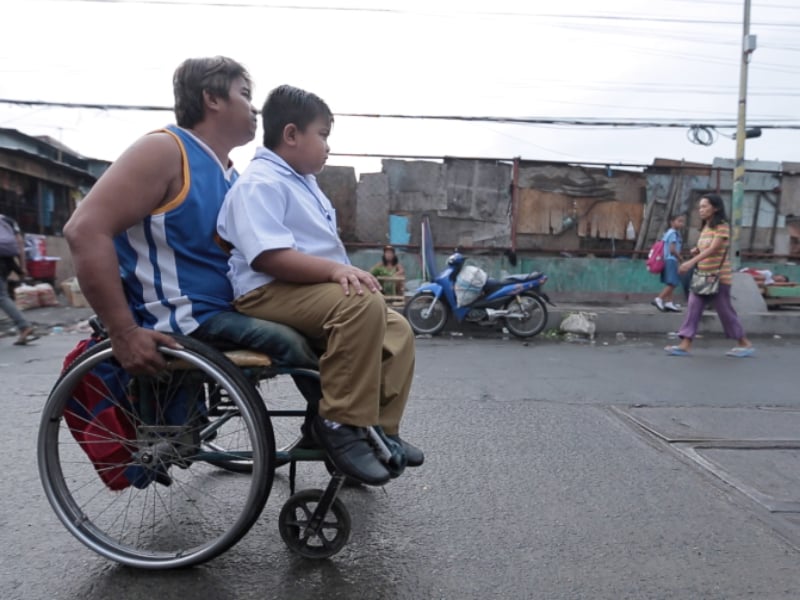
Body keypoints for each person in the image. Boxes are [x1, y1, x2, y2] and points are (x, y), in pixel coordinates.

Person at [218, 84, 423, 486]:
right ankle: (339, 424)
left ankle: (380, 429)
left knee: (396, 327)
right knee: (360, 305)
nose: (328, 147)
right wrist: (333, 272)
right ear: (291, 135)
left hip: (300, 289)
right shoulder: (261, 183)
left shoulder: (301, 181)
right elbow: (267, 257)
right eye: (323, 135)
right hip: (266, 290)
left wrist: (337, 274)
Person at [63, 57, 318, 378]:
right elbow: (84, 230)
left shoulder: (235, 178)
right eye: (244, 95)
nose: (254, 109)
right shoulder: (165, 150)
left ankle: (347, 408)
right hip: (183, 315)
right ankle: (333, 413)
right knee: (291, 343)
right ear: (212, 98)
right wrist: (123, 331)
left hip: (226, 310)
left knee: (326, 325)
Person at [664, 193, 754, 358]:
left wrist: (690, 262)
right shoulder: (706, 227)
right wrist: (696, 250)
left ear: (716, 208)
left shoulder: (722, 226)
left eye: (705, 206)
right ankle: (685, 344)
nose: (701, 210)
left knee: (725, 311)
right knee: (693, 308)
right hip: (702, 276)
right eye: (700, 207)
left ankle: (743, 342)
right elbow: (705, 247)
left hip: (719, 278)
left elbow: (714, 248)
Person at [0, 214, 38, 345]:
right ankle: (23, 326)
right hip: (6, 264)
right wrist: (22, 266)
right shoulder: (7, 220)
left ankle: (24, 326)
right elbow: (20, 243)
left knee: (2, 297)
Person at [651, 213, 686, 312]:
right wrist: (681, 259)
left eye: (682, 222)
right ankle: (659, 299)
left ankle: (669, 302)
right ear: (672, 222)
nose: (681, 223)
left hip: (667, 259)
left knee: (670, 282)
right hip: (671, 260)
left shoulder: (669, 233)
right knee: (673, 283)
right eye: (679, 221)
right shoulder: (673, 233)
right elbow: (672, 249)